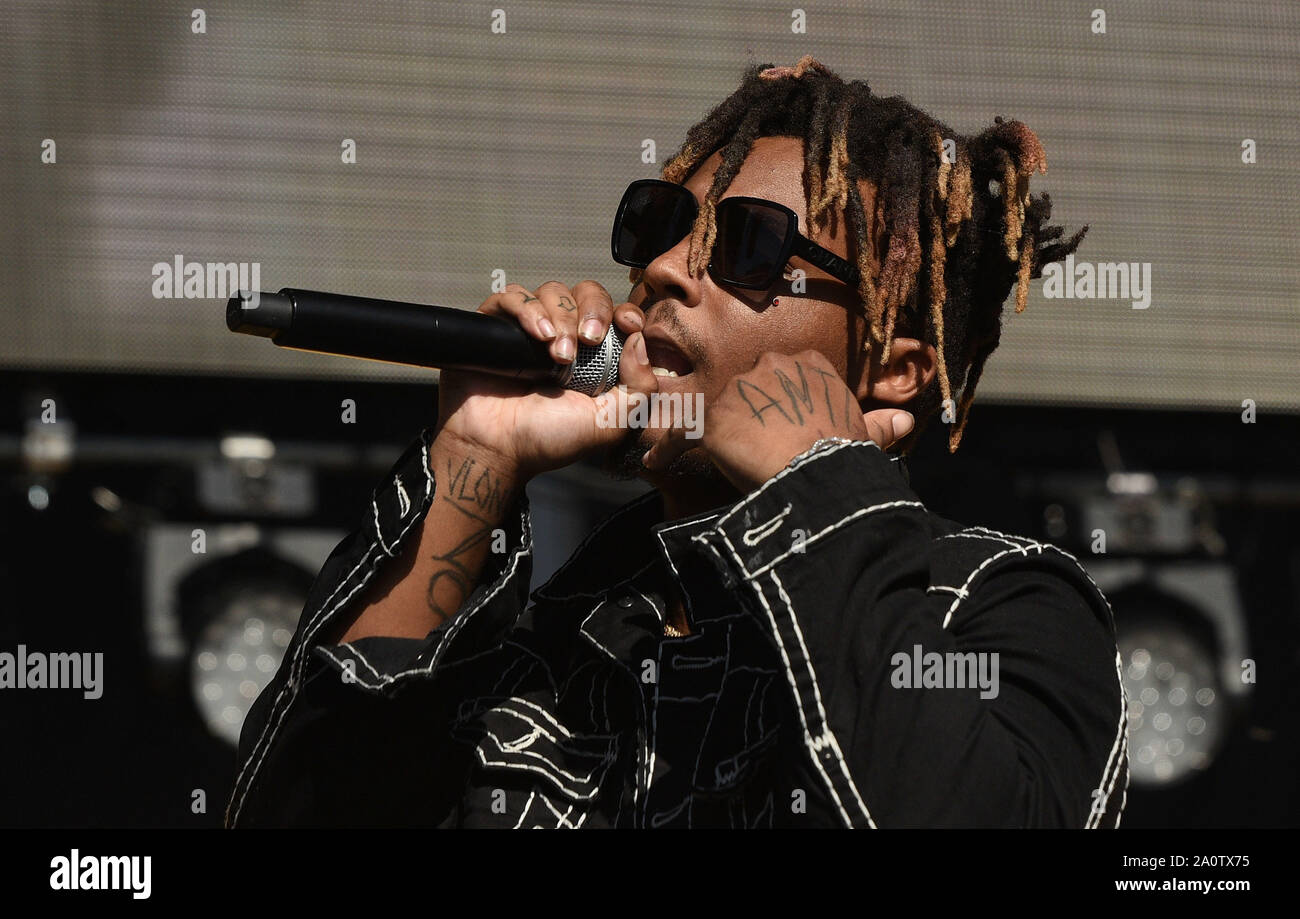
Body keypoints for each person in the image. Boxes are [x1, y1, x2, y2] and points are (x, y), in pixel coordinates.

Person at [226, 56, 1128, 828]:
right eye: (662, 228)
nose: (661, 270)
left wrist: (821, 488)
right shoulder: (562, 640)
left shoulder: (999, 607)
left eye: (749, 246)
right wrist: (476, 461)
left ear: (894, 370)